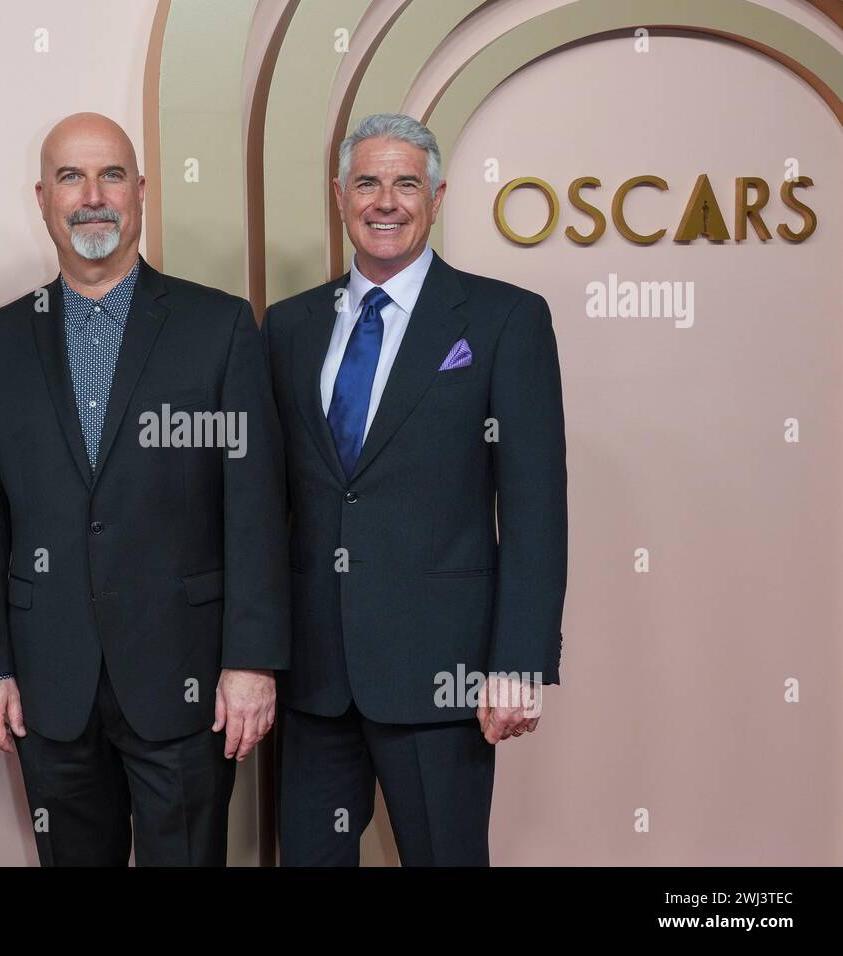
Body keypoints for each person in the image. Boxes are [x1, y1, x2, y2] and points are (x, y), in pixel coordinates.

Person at [0, 112, 289, 866]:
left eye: (111, 175)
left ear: (141, 191)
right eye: (71, 177)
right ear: (43, 198)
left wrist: (251, 661)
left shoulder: (220, 327)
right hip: (48, 685)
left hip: (189, 680)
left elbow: (255, 508)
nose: (92, 195)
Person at [264, 113, 567, 865]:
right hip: (313, 677)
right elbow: (267, 506)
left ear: (436, 197)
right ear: (340, 196)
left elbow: (536, 511)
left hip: (444, 677)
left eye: (406, 183)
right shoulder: (288, 326)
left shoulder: (505, 320)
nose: (386, 200)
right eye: (368, 181)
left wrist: (519, 662)